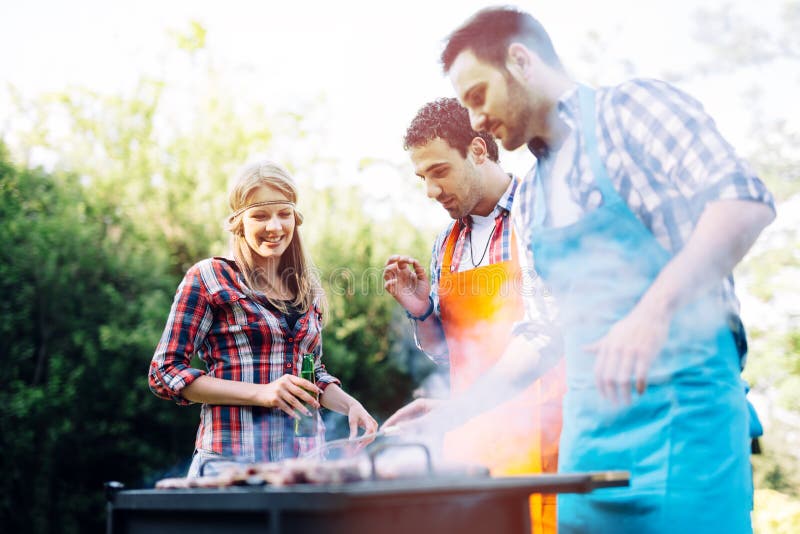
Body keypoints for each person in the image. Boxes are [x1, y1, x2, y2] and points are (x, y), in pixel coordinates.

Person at [431, 6, 776, 533]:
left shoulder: (633, 110)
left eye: (478, 95)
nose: (475, 120)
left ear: (520, 61)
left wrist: (652, 311)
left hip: (686, 423)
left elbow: (743, 202)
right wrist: (454, 411)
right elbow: (544, 329)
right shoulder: (529, 200)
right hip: (589, 442)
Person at [382, 97, 565, 534]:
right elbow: (451, 356)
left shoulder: (536, 214)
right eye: (422, 177)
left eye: (439, 171)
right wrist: (422, 311)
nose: (430, 190)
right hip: (472, 444)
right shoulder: (446, 243)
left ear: (479, 151)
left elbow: (553, 333)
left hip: (545, 440)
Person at [149, 159, 377, 476]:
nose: (275, 226)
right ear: (239, 222)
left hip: (304, 467)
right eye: (260, 215)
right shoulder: (210, 278)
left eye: (284, 214)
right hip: (230, 467)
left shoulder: (306, 288)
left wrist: (350, 405)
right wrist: (262, 393)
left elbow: (312, 373)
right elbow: (165, 372)